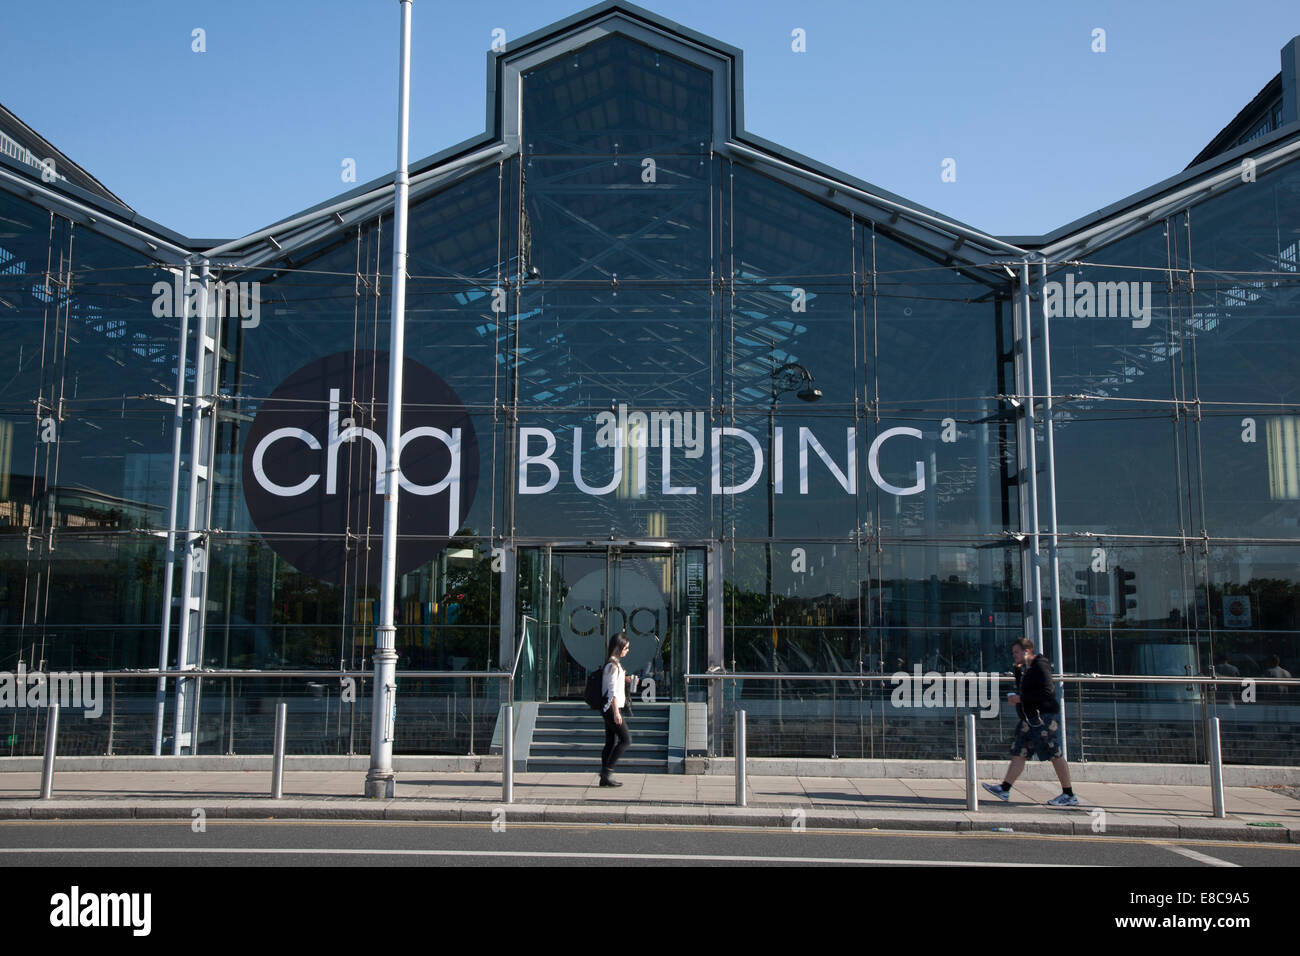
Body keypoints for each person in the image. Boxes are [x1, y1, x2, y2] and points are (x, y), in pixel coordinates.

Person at [982, 638, 1078, 807]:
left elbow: (1047, 692)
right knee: (1020, 751)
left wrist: (1021, 698)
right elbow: (1023, 689)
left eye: (1016, 652)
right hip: (1029, 718)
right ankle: (1004, 788)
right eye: (1013, 653)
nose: (1014, 656)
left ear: (1027, 651)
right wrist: (1018, 674)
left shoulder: (1040, 665)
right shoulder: (1026, 669)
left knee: (1055, 754)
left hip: (1044, 717)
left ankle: (1069, 794)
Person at [599, 631, 633, 787]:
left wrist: (626, 679)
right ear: (618, 648)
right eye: (625, 648)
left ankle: (604, 777)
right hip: (611, 708)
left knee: (610, 741)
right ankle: (607, 772)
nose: (627, 651)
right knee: (626, 740)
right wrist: (617, 712)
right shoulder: (612, 666)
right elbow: (612, 691)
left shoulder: (614, 664)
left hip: (608, 708)